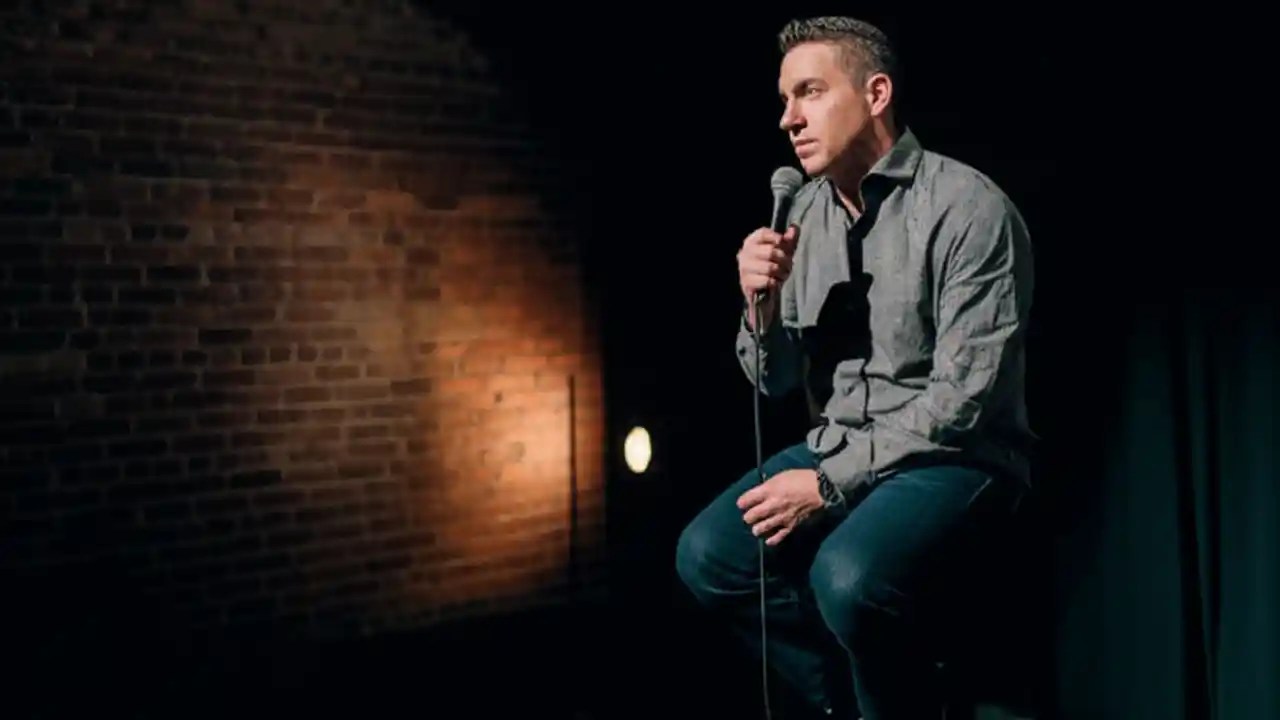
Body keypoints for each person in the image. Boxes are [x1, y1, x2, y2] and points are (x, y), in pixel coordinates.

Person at [674, 16, 1038, 720]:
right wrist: (762, 308)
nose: (788, 118)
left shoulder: (967, 208)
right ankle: (857, 704)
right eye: (784, 100)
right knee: (709, 554)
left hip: (957, 455)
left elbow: (964, 399)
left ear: (876, 93)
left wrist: (828, 483)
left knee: (848, 575)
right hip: (837, 440)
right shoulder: (801, 213)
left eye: (809, 92)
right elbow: (774, 380)